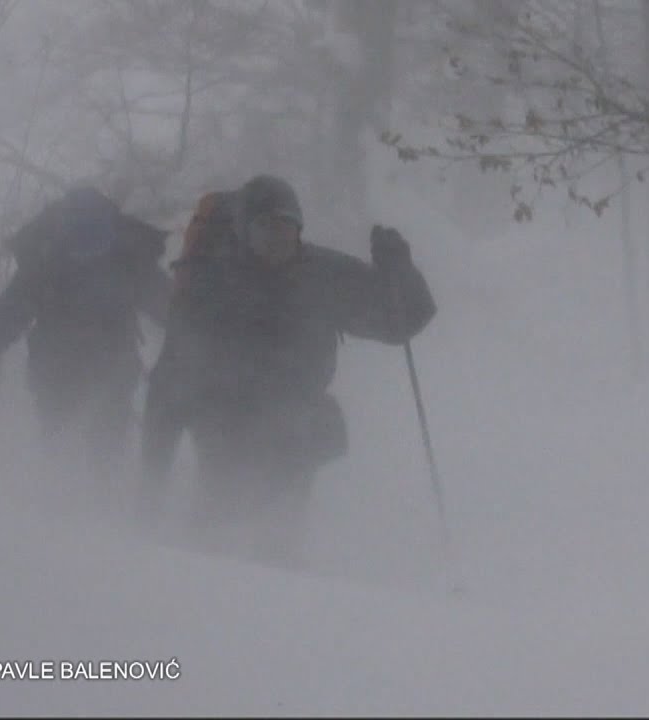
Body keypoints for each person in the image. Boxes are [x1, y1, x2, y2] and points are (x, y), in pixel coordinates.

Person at [139, 174, 437, 557]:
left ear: (299, 229)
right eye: (265, 228)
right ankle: (211, 579)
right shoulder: (210, 283)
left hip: (296, 427)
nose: (277, 240)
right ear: (244, 231)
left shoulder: (321, 275)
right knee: (218, 526)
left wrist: (399, 271)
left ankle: (278, 585)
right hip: (223, 422)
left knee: (279, 532)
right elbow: (170, 382)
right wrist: (151, 481)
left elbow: (403, 321)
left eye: (287, 228)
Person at [0, 185, 173, 495]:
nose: (89, 250)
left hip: (89, 371)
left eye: (96, 238)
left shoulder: (121, 263)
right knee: (73, 444)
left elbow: (9, 311)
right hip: (68, 372)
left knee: (93, 445)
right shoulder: (51, 264)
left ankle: (84, 509)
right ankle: (74, 508)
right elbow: (9, 311)